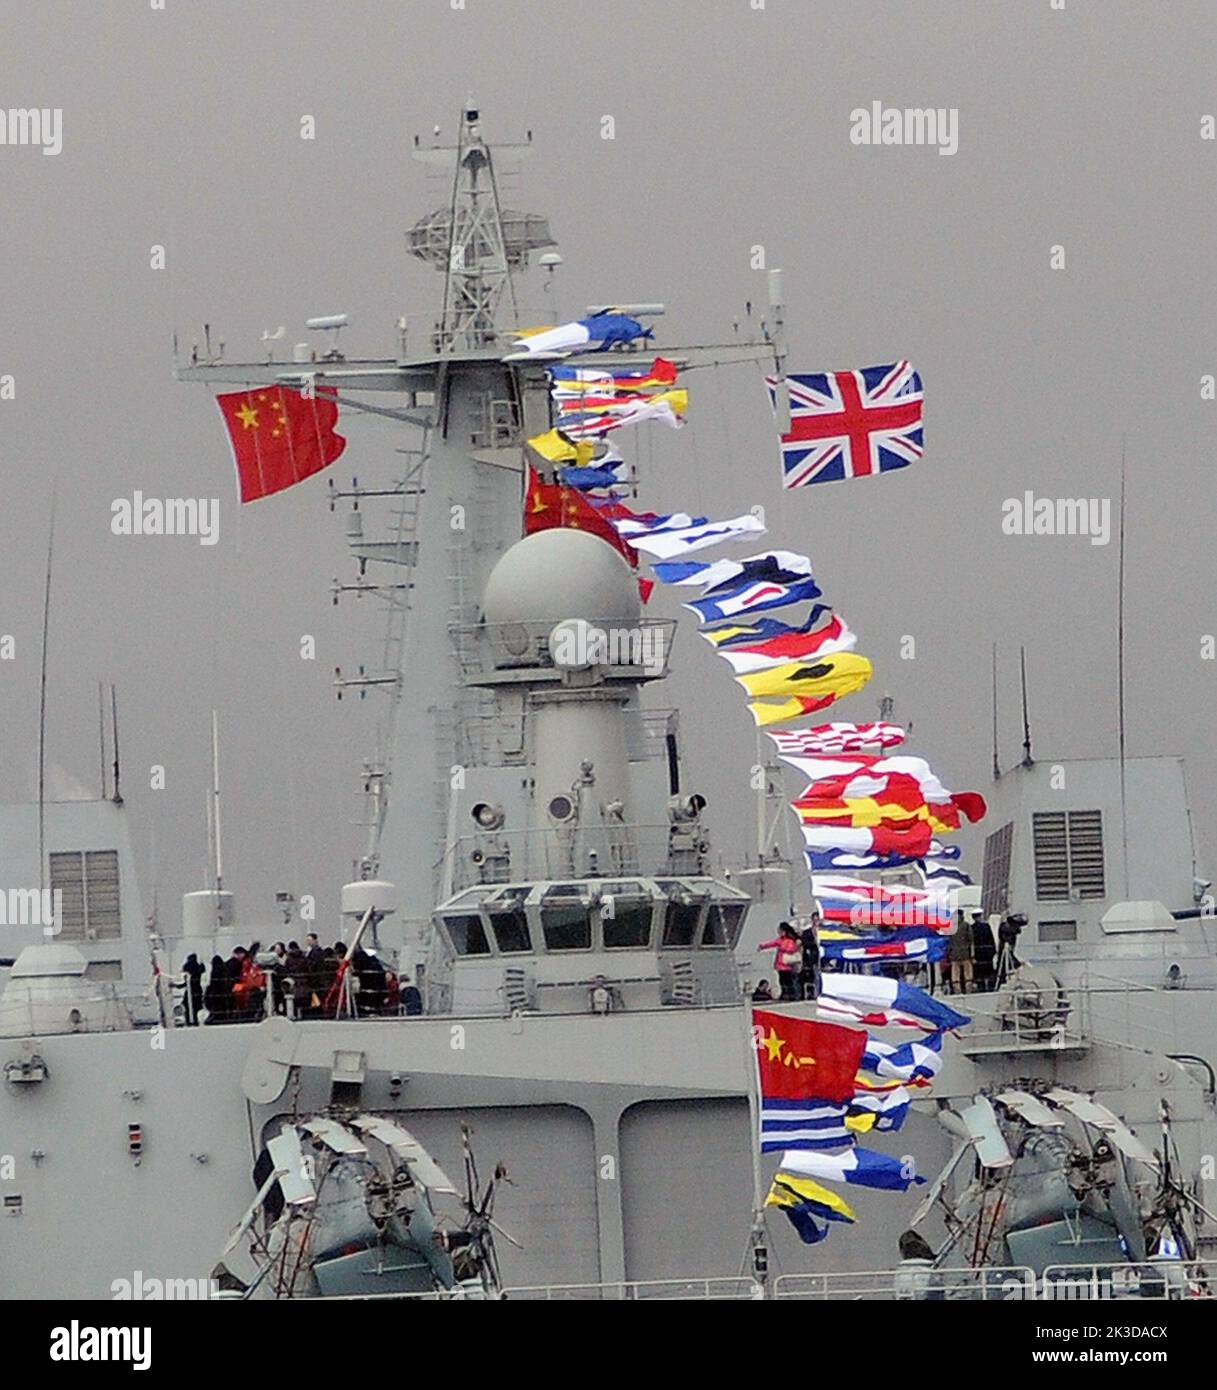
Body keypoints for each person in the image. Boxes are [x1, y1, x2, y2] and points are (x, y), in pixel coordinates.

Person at [757, 923, 802, 1001]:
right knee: (782, 980)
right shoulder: (780, 940)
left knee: (788, 980)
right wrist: (762, 946)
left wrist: (782, 948)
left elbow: (791, 949)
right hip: (780, 964)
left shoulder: (791, 940)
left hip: (787, 964)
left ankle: (791, 995)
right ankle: (785, 994)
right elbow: (772, 943)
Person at [947, 912, 973, 995]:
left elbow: (948, 940)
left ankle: (957, 990)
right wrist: (972, 954)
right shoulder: (966, 925)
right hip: (964, 953)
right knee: (967, 973)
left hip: (955, 954)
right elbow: (971, 940)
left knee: (955, 974)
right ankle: (968, 989)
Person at [971, 912, 997, 991]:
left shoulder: (972, 928)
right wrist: (993, 950)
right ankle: (990, 986)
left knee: (979, 972)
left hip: (978, 953)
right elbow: (991, 939)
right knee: (989, 971)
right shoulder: (986, 926)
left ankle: (981, 987)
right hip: (987, 952)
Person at [799, 915, 821, 1000]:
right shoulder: (807, 932)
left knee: (822, 975)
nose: (816, 922)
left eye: (818, 920)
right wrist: (814, 944)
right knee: (817, 975)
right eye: (815, 920)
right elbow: (805, 943)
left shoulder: (825, 930)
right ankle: (817, 993)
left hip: (824, 957)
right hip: (814, 956)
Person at [182, 953, 205, 1025]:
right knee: (196, 1008)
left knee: (187, 1006)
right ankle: (195, 1021)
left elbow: (186, 980)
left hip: (190, 990)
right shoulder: (198, 967)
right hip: (197, 989)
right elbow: (202, 970)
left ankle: (188, 1020)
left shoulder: (187, 966)